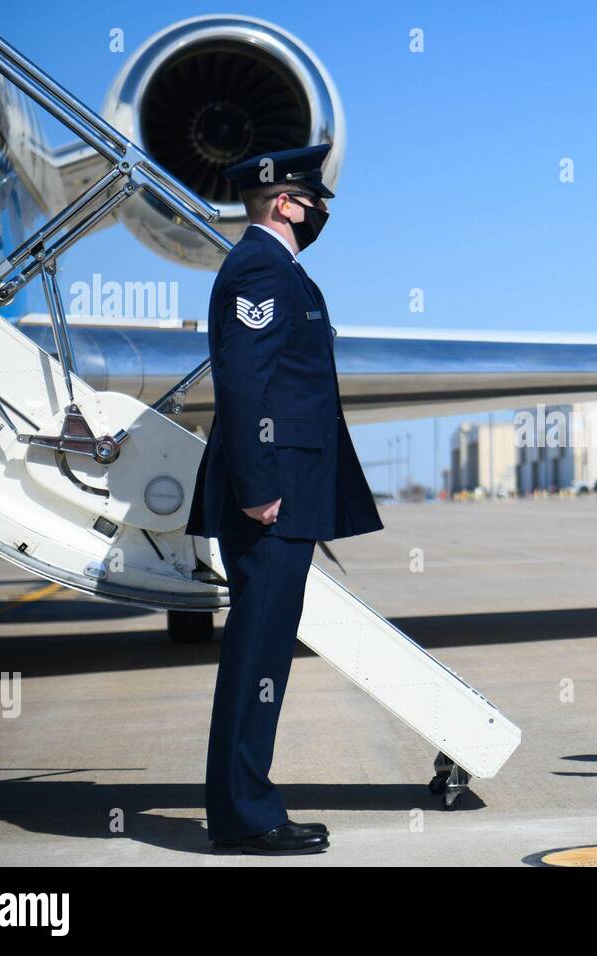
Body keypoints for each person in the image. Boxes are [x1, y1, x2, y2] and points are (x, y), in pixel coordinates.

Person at [186, 144, 383, 853]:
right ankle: (247, 815)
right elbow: (242, 387)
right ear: (283, 202)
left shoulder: (274, 269)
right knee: (256, 654)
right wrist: (259, 489)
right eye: (312, 199)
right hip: (270, 499)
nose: (319, 211)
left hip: (284, 492)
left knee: (264, 654)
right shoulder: (261, 269)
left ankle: (247, 808)